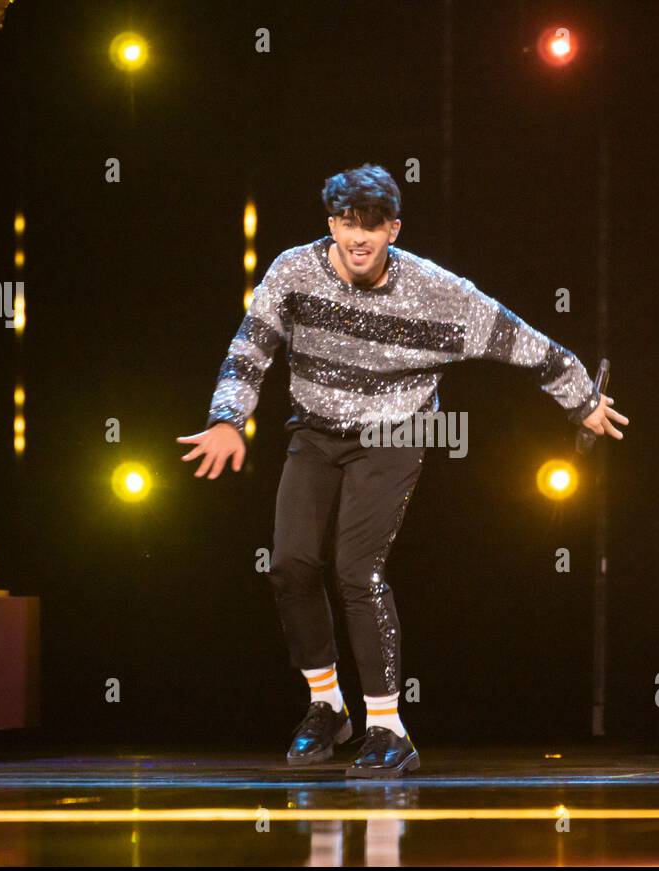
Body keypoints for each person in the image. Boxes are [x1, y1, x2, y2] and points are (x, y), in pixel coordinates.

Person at [178, 163, 626, 778]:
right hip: (314, 432)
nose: (357, 237)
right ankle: (326, 706)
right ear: (331, 224)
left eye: (371, 225)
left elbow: (522, 340)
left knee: (356, 570)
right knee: (289, 564)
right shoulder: (293, 270)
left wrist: (582, 399)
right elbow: (249, 347)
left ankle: (388, 727)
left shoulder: (437, 291)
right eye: (345, 223)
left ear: (393, 228)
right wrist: (228, 419)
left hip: (395, 432)